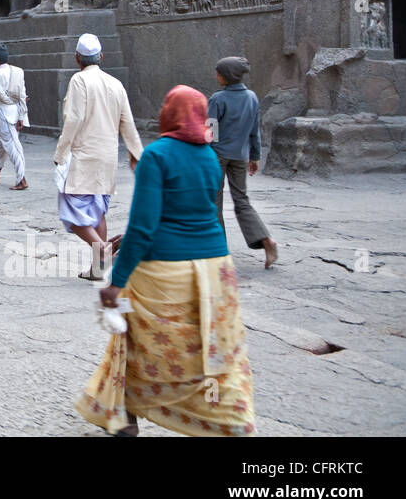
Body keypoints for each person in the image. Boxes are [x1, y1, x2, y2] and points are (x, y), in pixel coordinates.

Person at [76, 85, 255, 437]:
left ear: (170, 114)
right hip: (217, 268)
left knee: (138, 344)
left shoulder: (156, 156)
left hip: (165, 271)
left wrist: (116, 281)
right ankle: (231, 417)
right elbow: (192, 209)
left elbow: (143, 227)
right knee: (214, 349)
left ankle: (124, 410)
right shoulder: (209, 156)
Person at [54, 33, 144, 280]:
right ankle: (97, 268)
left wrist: (61, 151)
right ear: (101, 57)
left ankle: (102, 250)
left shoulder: (79, 80)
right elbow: (128, 123)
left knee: (71, 210)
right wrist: (138, 155)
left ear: (77, 58)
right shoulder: (116, 84)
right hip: (107, 158)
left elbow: (73, 119)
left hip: (84, 156)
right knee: (97, 211)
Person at [209, 56, 278, 268]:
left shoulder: (217, 99)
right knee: (241, 200)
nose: (216, 76)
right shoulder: (251, 97)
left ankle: (218, 251)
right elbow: (254, 130)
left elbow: (210, 131)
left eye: (218, 73)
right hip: (241, 155)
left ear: (225, 76)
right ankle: (266, 240)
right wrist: (255, 156)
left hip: (218, 156)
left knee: (214, 201)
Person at [0, 44, 29, 190]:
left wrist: (16, 104)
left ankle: (21, 179)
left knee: (13, 146)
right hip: (16, 112)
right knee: (2, 145)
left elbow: (2, 97)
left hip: (5, 113)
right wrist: (21, 115)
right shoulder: (18, 71)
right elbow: (23, 95)